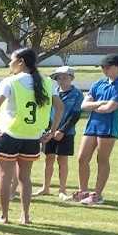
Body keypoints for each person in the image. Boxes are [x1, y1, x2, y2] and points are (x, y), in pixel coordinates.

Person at [0, 48, 63, 225]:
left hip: (11, 134)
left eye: (12, 60)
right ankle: (25, 216)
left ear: (20, 61)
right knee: (25, 178)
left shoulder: (10, 81)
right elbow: (60, 107)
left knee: (5, 176)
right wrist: (52, 131)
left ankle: (4, 216)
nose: (9, 63)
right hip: (32, 136)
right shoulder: (47, 82)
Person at [75, 54, 118, 206]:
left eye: (108, 67)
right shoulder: (98, 83)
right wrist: (100, 103)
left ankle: (97, 195)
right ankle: (83, 191)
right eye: (103, 67)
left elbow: (109, 109)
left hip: (109, 126)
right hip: (92, 125)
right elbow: (84, 105)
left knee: (102, 159)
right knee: (82, 158)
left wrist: (95, 106)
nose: (105, 70)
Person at [39, 66, 83, 199]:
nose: (61, 80)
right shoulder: (53, 92)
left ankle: (62, 190)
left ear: (71, 78)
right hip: (50, 131)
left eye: (65, 77)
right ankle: (45, 188)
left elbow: (75, 115)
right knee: (49, 159)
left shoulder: (77, 94)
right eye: (59, 77)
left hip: (67, 133)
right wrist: (48, 130)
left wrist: (62, 130)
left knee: (62, 160)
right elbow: (46, 111)